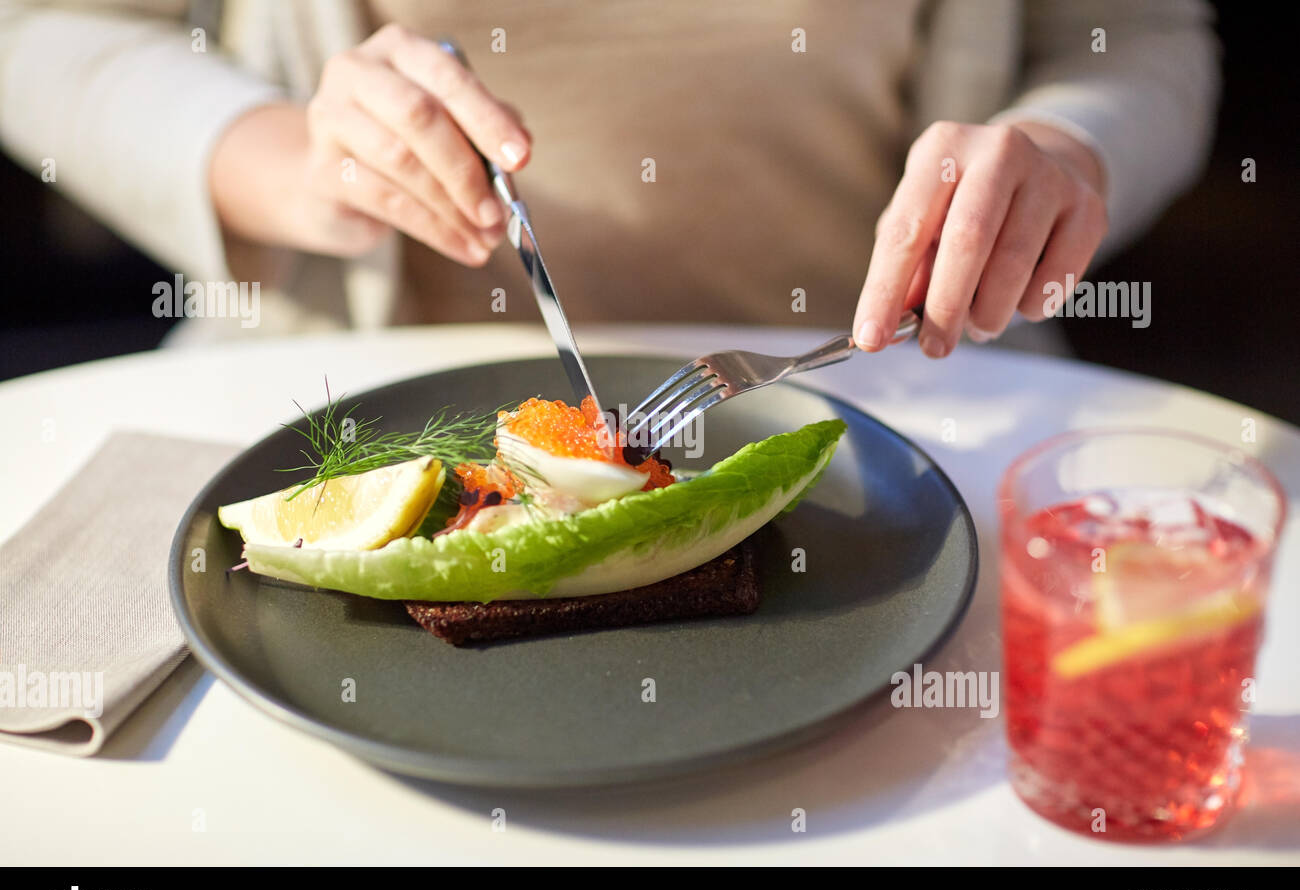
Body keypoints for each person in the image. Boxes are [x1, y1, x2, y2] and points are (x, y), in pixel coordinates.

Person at [0, 1, 1218, 358]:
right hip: (352, 395)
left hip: (899, 409)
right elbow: (44, 31)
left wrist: (1063, 150)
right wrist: (284, 160)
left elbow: (1139, 39)